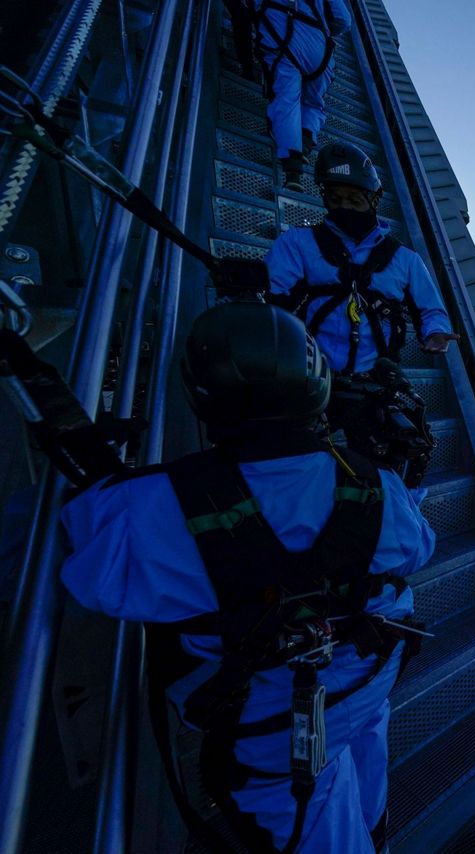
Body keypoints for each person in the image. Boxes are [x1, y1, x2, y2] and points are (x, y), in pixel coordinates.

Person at [60, 302, 436, 853]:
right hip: (369, 669)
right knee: (362, 750)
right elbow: (416, 551)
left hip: (274, 721)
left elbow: (83, 561)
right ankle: (375, 834)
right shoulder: (374, 486)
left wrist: (102, 476)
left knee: (315, 811)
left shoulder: (144, 511)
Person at [265, 141, 457, 476]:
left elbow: (431, 308)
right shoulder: (298, 244)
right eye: (335, 199)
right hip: (312, 377)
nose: (345, 208)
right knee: (293, 464)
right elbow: (274, 297)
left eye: (354, 200)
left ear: (374, 200)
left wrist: (436, 332)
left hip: (374, 381)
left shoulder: (404, 260)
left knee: (389, 463)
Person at [251, 0, 353, 190]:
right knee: (314, 103)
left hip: (281, 40)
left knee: (286, 100)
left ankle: (293, 170)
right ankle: (305, 140)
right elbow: (344, 20)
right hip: (319, 48)